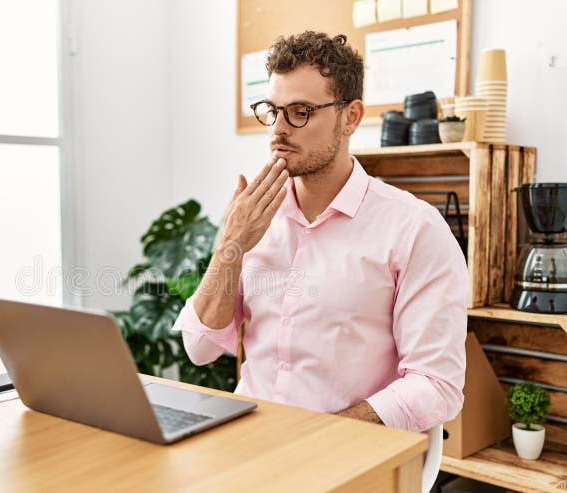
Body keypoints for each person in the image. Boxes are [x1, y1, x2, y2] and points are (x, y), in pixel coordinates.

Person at [172, 31, 468, 432]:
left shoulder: (414, 229)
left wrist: (321, 437)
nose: (278, 129)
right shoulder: (253, 218)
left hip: (345, 456)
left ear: (351, 117)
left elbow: (435, 385)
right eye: (271, 110)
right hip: (248, 445)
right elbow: (200, 348)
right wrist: (231, 244)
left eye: (300, 111)